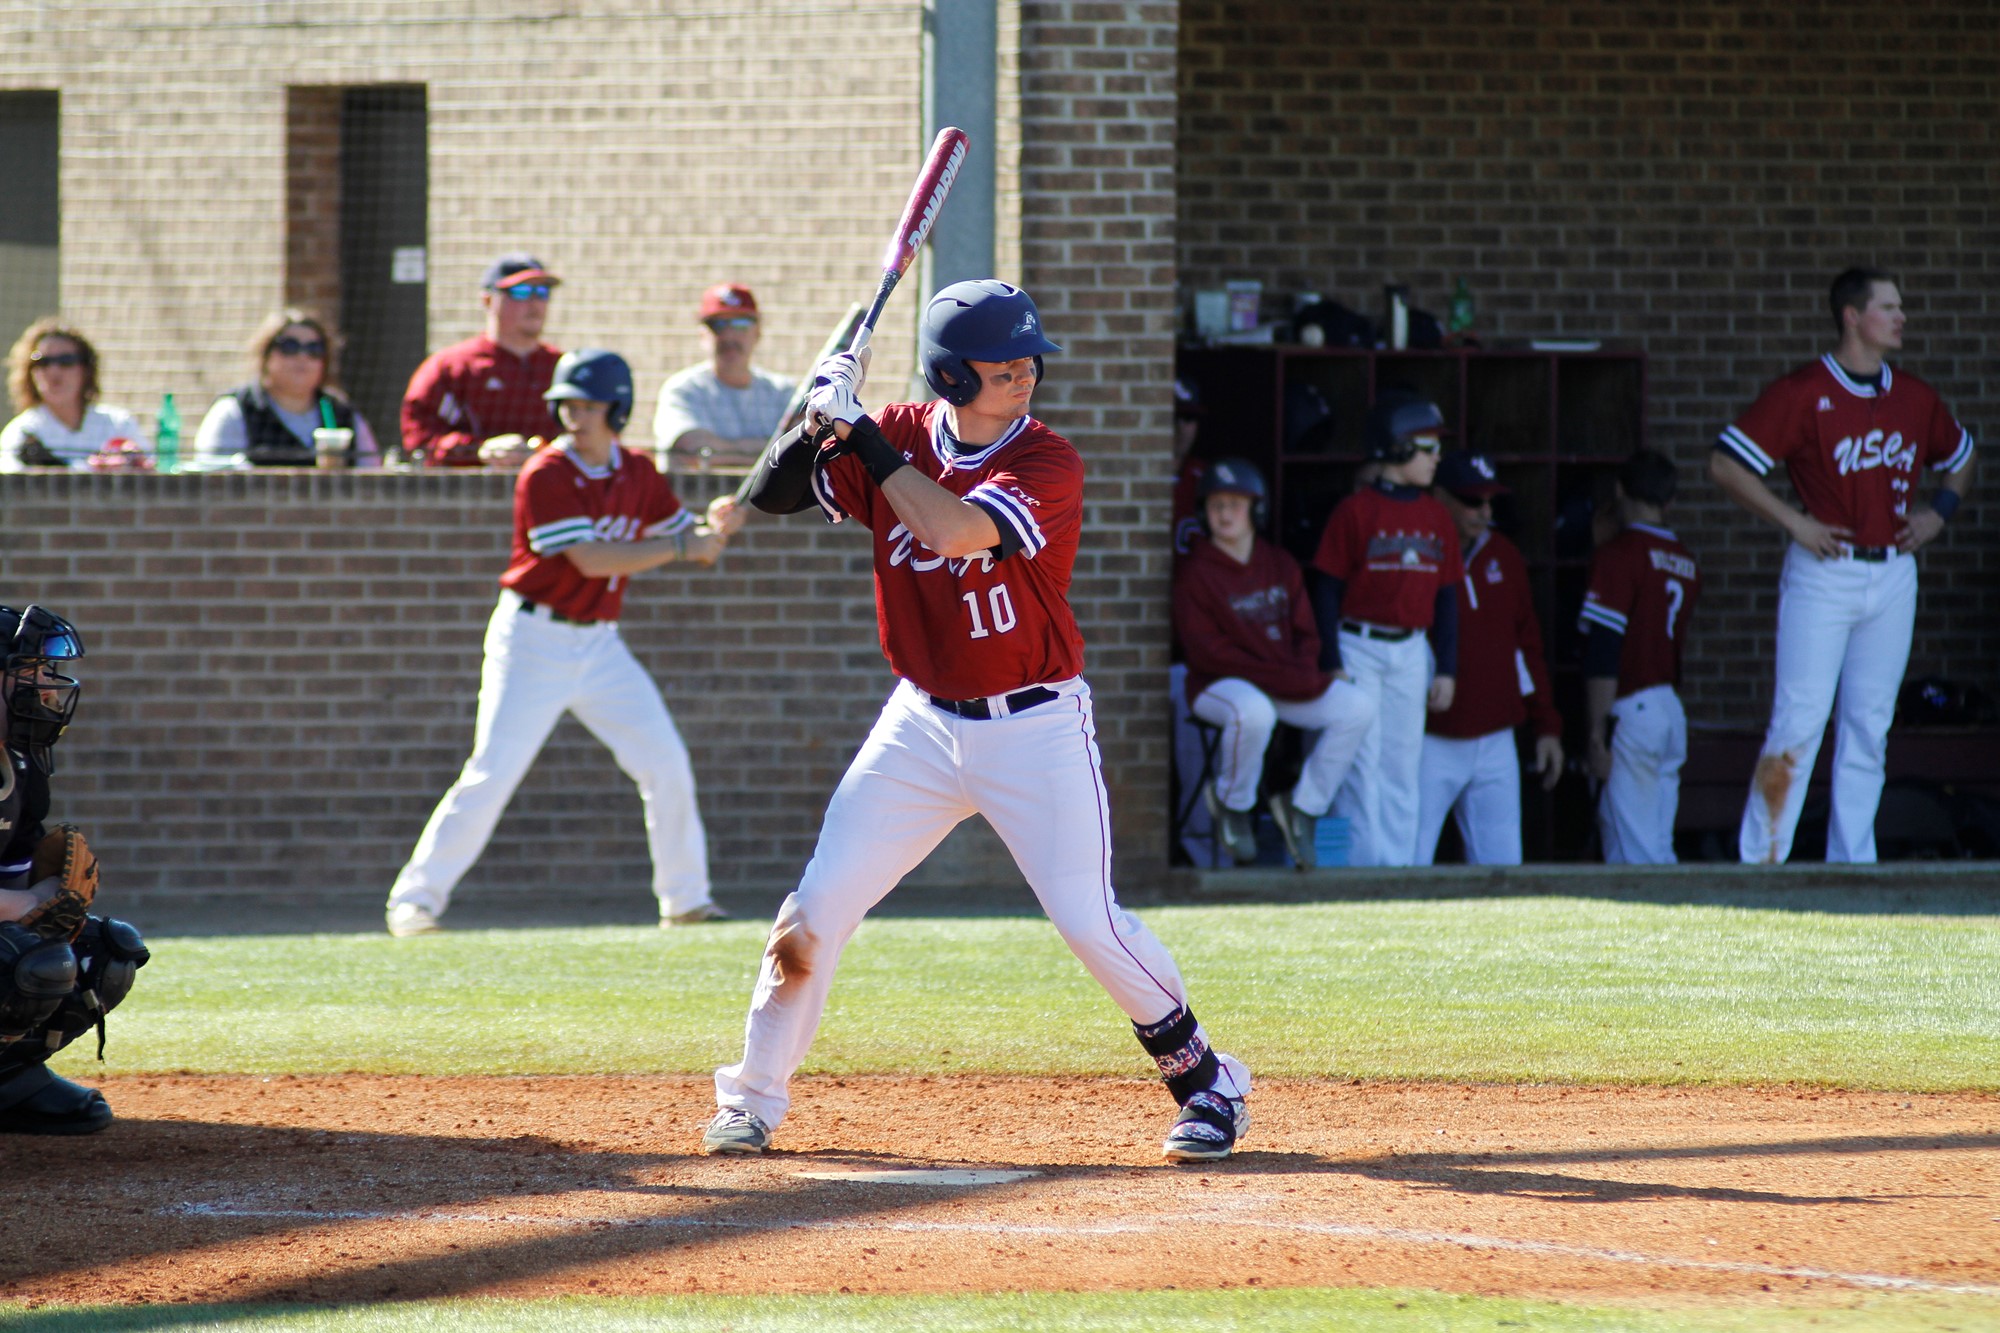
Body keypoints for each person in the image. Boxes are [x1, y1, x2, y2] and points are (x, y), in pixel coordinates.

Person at [706, 279, 1252, 1164]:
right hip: (920, 723)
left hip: (1035, 725)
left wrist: (861, 434)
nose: (1026, 373)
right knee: (816, 907)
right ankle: (751, 1099)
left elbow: (954, 530)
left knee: (1088, 920)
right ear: (953, 376)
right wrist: (815, 416)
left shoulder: (1046, 460)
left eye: (1030, 359)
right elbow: (772, 495)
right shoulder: (897, 430)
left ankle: (1209, 1084)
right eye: (1005, 365)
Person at [384, 349, 746, 937]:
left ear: (617, 409)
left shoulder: (636, 471)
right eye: (568, 405)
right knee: (493, 771)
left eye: (589, 406)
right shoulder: (546, 472)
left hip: (599, 645)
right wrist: (687, 547)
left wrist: (716, 526)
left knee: (665, 762)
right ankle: (415, 901)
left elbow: (690, 539)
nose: (575, 417)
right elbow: (591, 559)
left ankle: (686, 900)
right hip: (532, 639)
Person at [1711, 267, 1976, 864]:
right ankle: (1761, 863)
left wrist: (1939, 513)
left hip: (1893, 572)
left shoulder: (1915, 396)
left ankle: (1854, 864)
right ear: (1853, 317)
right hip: (1824, 570)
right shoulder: (1805, 390)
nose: (1902, 317)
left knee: (1869, 726)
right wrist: (1794, 521)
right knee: (1799, 721)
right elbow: (1726, 464)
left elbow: (1963, 456)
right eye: (1889, 307)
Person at [1174, 457, 1374, 868]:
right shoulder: (1195, 572)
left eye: (1235, 504)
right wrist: (1283, 676)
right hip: (1217, 685)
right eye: (1215, 505)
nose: (1224, 514)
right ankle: (1232, 805)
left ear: (1256, 509)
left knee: (1357, 707)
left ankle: (1303, 808)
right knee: (1255, 712)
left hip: (1282, 683)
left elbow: (1307, 636)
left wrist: (1296, 674)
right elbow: (1208, 654)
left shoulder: (1279, 563)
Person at [0, 605, 151, 1135]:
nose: (45, 685)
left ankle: (8, 1081)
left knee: (100, 953)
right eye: (28, 671)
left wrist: (43, 906)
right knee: (29, 960)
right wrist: (26, 905)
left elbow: (16, 872)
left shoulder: (20, 762)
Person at [1307, 391, 1463, 868]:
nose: (1437, 457)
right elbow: (1326, 589)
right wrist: (1332, 660)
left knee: (1401, 763)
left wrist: (1447, 668)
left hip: (1412, 649)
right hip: (1359, 644)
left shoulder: (1437, 514)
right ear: (1397, 447)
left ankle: (1397, 871)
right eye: (1428, 447)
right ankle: (1361, 872)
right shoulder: (1355, 510)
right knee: (1361, 762)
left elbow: (1448, 596)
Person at [1415, 453, 1562, 865]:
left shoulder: (1505, 556)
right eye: (1471, 500)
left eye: (1489, 501)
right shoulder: (1415, 553)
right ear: (1439, 497)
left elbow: (1526, 648)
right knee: (1407, 860)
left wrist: (1546, 724)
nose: (1484, 511)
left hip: (1496, 738)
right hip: (1429, 737)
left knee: (1503, 869)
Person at [1580, 451, 1700, 864]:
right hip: (1669, 708)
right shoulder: (1686, 559)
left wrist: (1597, 733)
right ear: (1670, 499)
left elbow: (1604, 649)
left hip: (1632, 710)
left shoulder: (1619, 555)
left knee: (1633, 852)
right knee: (1659, 846)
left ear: (1620, 490)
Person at [401, 253, 564, 468]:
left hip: (550, 486)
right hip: (474, 487)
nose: (534, 303)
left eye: (542, 292)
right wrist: (479, 450)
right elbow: (420, 440)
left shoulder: (561, 367)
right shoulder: (453, 368)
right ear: (487, 300)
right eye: (521, 292)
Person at [192, 310, 382, 468]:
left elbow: (373, 477)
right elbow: (211, 478)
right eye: (290, 347)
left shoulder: (342, 415)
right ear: (266, 355)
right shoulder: (236, 411)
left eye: (314, 349)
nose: (302, 357)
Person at [652, 283, 793, 472]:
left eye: (741, 324)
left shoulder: (782, 392)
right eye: (718, 325)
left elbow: (800, 452)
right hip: (698, 492)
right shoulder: (683, 389)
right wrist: (773, 452)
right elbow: (693, 450)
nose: (729, 335)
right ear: (702, 334)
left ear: (758, 332)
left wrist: (721, 451)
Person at [1, 320, 152, 471]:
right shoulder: (21, 432)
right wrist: (92, 469)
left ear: (85, 369)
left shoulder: (118, 424)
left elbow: (151, 473)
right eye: (43, 362)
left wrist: (130, 465)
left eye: (66, 361)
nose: (54, 371)